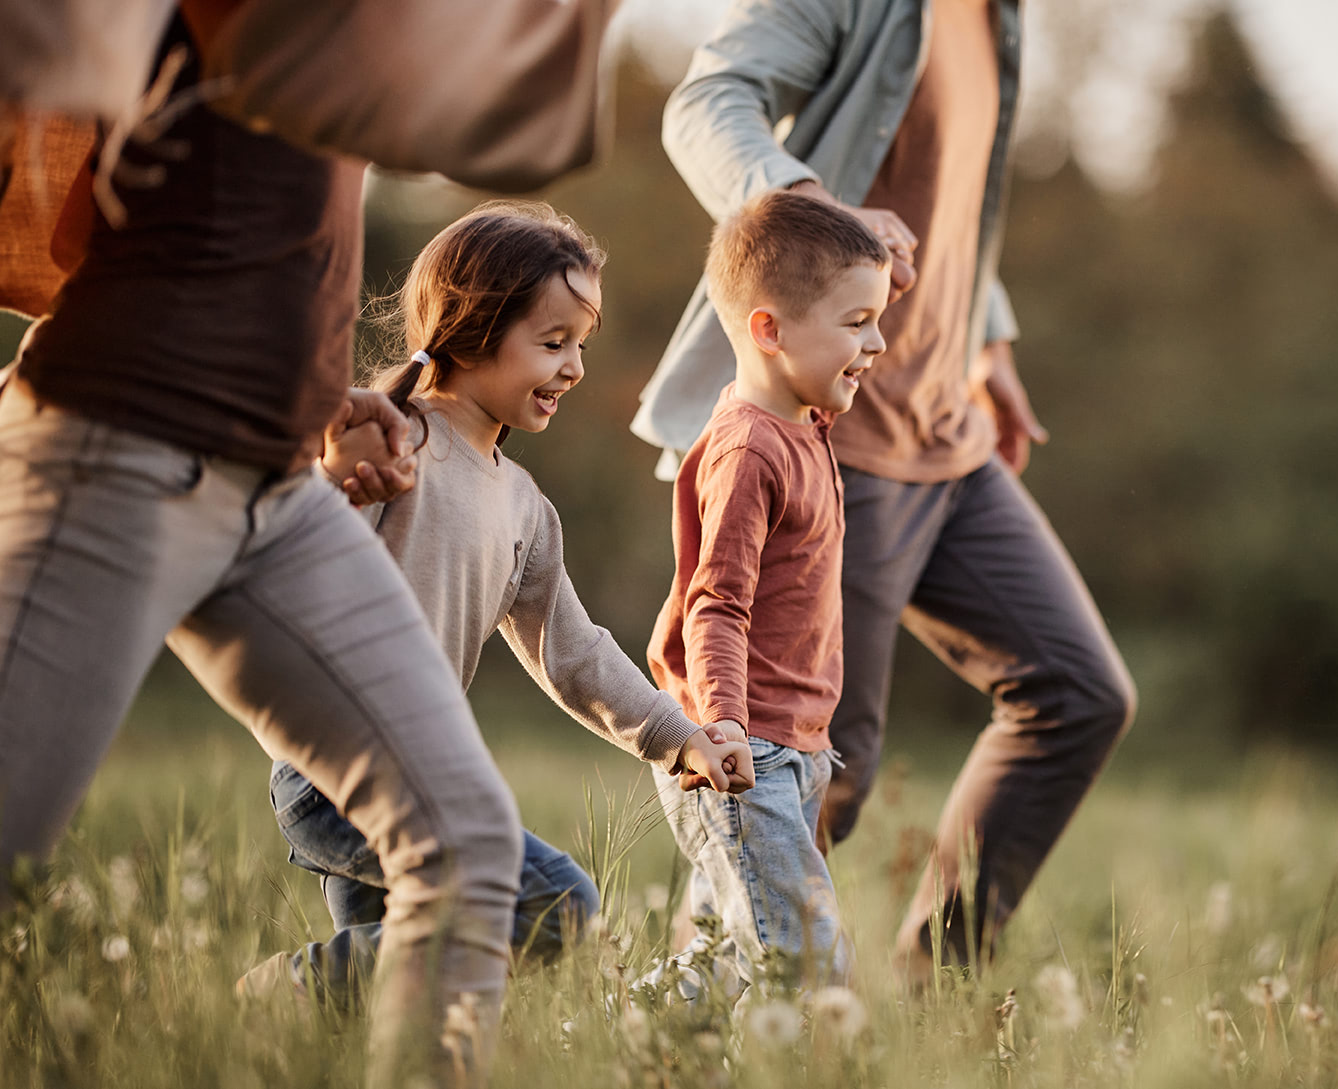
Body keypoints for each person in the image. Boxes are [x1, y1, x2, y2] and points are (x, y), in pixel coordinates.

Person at [0, 14, 559, 1086]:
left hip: (273, 482)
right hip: (114, 449)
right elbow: (483, 117)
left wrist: (308, 398)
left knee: (466, 849)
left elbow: (251, 229)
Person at [631, 0, 1138, 974]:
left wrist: (986, 340)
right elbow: (705, 102)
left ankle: (933, 993)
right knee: (814, 771)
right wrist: (813, 207)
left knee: (1078, 694)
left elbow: (949, 205)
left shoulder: (998, 20)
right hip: (833, 447)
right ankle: (705, 1021)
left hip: (949, 433)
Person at [240, 202, 754, 1003]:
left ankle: (302, 1013)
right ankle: (284, 992)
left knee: (403, 1001)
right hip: (336, 767)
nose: (574, 367)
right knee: (555, 904)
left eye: (580, 345)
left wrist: (678, 738)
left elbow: (574, 652)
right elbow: (290, 555)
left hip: (414, 767)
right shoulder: (393, 442)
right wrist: (333, 478)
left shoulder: (524, 508)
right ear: (473, 329)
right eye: (553, 343)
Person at [643, 190, 891, 998]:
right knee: (806, 963)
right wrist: (724, 724)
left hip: (795, 747)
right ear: (769, 331)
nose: (877, 342)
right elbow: (715, 603)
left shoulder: (805, 423)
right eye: (858, 322)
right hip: (746, 750)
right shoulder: (749, 449)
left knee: (725, 961)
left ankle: (613, 1033)